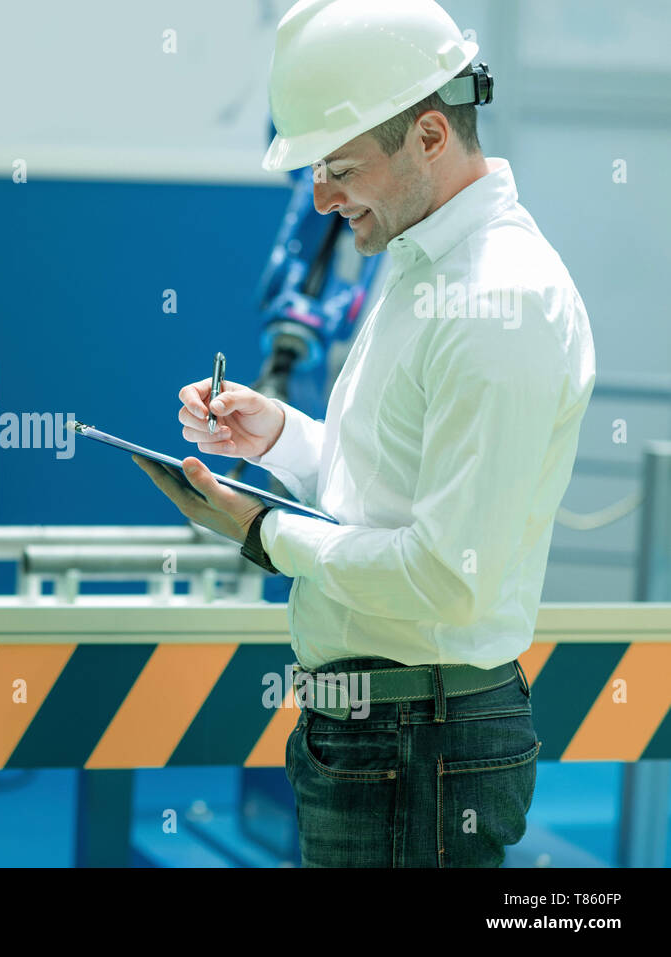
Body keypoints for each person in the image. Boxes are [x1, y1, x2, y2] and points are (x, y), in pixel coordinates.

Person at [133, 0, 595, 867]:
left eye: (339, 166)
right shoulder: (425, 262)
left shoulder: (499, 300)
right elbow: (382, 493)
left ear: (428, 134)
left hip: (421, 746)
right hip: (380, 733)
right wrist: (280, 439)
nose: (320, 198)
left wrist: (263, 533)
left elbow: (449, 580)